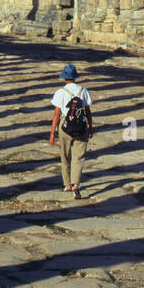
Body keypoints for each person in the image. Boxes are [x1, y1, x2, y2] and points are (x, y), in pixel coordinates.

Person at [48, 63, 94, 199]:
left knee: (65, 156)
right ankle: (76, 185)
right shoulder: (83, 91)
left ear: (64, 78)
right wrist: (90, 127)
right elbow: (88, 112)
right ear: (75, 77)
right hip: (81, 126)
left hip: (65, 127)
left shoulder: (60, 92)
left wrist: (52, 133)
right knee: (79, 157)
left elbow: (56, 114)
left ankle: (67, 184)